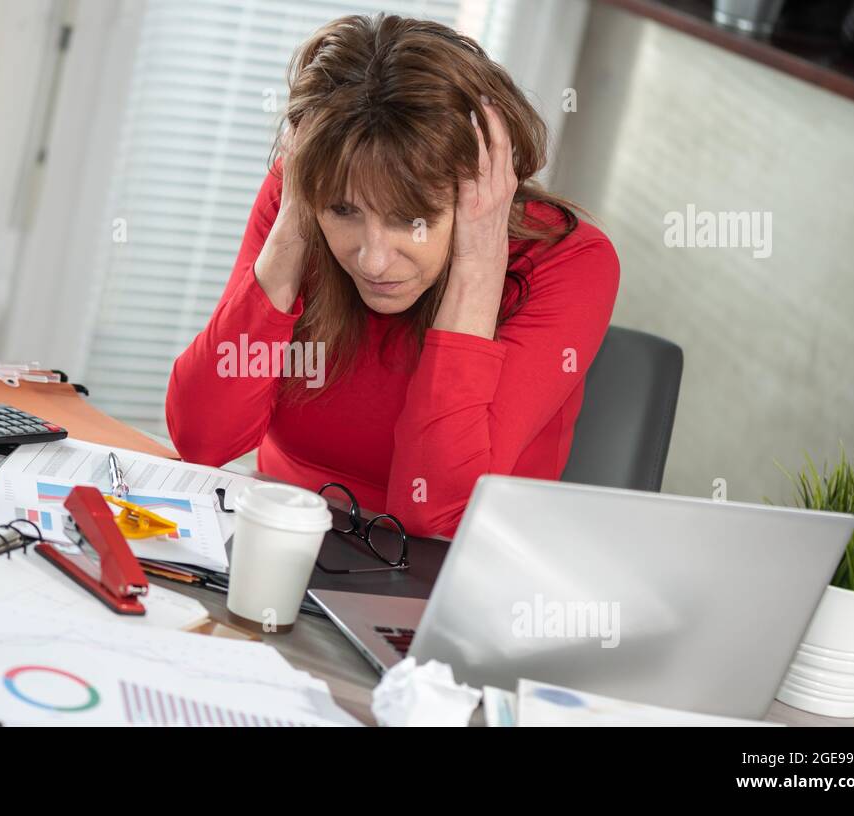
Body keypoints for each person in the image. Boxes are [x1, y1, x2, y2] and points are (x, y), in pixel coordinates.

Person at [166, 13, 619, 538]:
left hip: (452, 570)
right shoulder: (306, 198)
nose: (373, 260)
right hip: (285, 537)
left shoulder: (570, 261)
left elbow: (437, 513)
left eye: (411, 220)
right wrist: (295, 223)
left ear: (480, 189)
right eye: (344, 212)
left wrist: (476, 265)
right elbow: (202, 438)